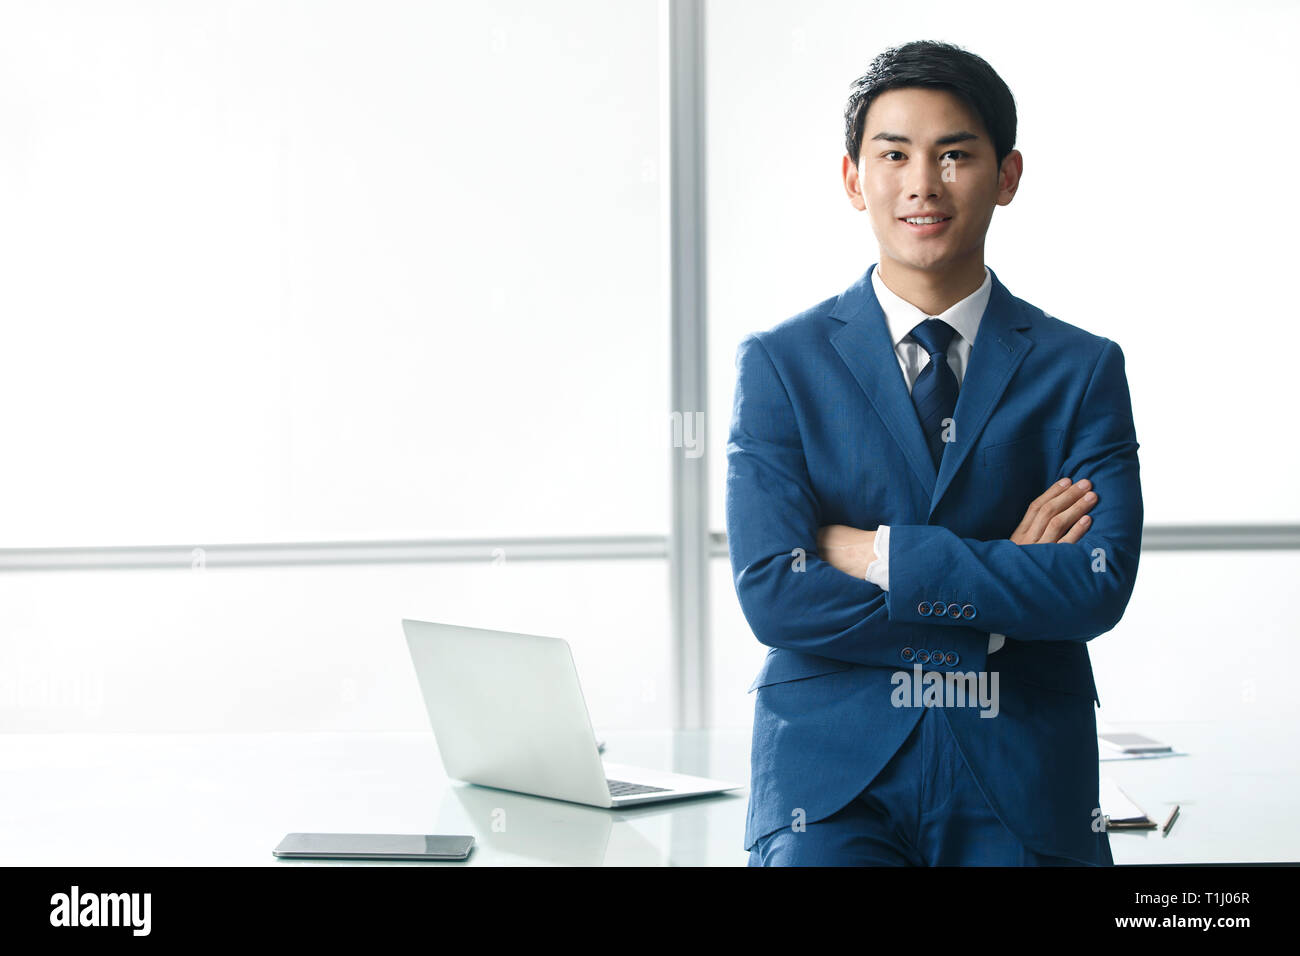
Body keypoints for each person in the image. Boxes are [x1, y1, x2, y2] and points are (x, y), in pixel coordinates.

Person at [726, 39, 1143, 865]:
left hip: (1023, 765)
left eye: (955, 154)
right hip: (830, 775)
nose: (923, 182)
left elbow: (1096, 585)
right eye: (895, 155)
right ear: (854, 179)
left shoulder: (1083, 367)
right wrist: (993, 603)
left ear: (1008, 175)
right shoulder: (780, 363)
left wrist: (883, 555)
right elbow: (774, 592)